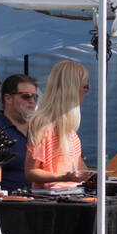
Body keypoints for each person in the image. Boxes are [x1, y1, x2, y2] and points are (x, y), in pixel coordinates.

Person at [25, 60, 91, 189]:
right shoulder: (43, 123)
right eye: (85, 87)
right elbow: (30, 172)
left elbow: (78, 168)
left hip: (70, 197)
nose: (86, 92)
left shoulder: (69, 128)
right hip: (51, 203)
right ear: (71, 89)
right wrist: (64, 177)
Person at [0, 73, 37, 192]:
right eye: (26, 96)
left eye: (35, 97)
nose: (32, 101)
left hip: (41, 203)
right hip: (8, 206)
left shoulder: (40, 131)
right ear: (8, 99)